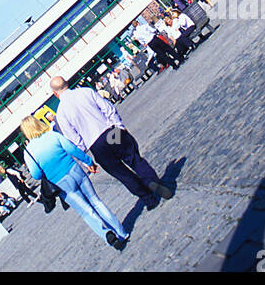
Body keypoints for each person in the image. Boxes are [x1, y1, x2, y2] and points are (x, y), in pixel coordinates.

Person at [50, 75, 174, 209]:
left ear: (55, 93)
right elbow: (107, 108)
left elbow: (74, 140)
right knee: (134, 159)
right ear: (67, 83)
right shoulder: (85, 92)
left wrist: (86, 159)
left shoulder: (61, 114)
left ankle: (148, 198)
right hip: (110, 132)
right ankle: (153, 181)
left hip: (95, 145)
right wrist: (119, 125)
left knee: (122, 174)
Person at [20, 115, 129, 250]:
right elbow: (72, 149)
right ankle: (122, 232)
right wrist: (89, 162)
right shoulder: (52, 135)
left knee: (86, 211)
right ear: (38, 123)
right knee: (96, 201)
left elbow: (36, 175)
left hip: (60, 183)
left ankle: (106, 233)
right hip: (75, 170)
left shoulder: (29, 152)